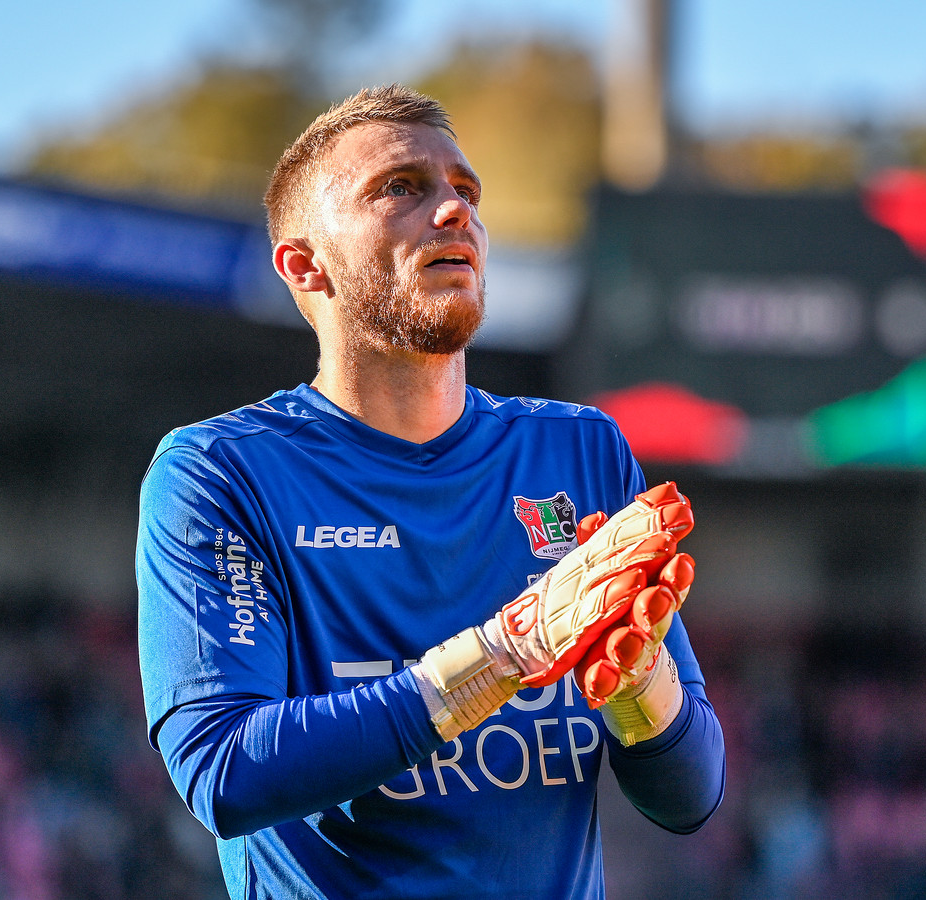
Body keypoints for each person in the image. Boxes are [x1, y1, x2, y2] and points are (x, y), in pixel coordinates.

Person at [136, 84, 725, 900]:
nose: (454, 211)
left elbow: (690, 797)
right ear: (305, 265)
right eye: (400, 188)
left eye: (466, 190)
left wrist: (637, 683)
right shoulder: (219, 473)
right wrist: (504, 653)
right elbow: (224, 770)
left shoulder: (580, 450)